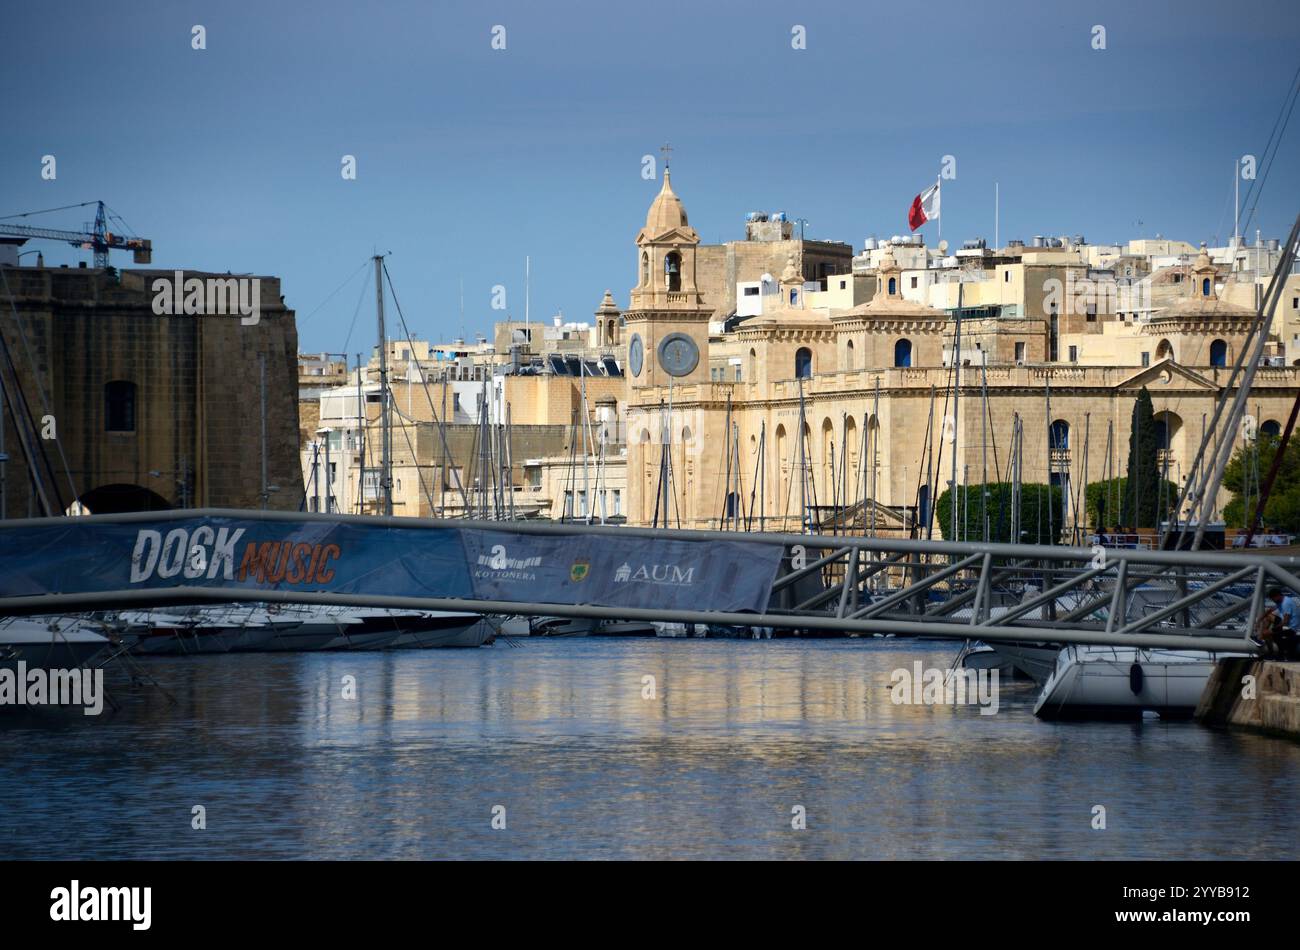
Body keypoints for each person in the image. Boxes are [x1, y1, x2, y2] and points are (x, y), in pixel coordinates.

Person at [1258, 588, 1300, 659]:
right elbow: (1271, 609)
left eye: (1272, 599)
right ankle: (1261, 638)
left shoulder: (1286, 603)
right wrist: (1260, 619)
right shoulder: (1281, 601)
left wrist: (1272, 630)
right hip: (1285, 624)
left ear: (1277, 596)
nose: (1273, 601)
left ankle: (1271, 652)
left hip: (1290, 628)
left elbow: (1285, 621)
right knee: (1268, 617)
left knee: (1267, 634)